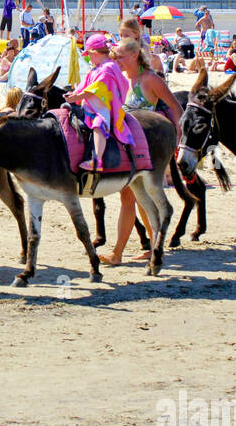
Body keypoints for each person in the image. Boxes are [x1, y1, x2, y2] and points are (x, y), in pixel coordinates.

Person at [98, 34, 182, 265]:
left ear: (135, 55)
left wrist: (177, 138)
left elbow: (175, 106)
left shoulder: (150, 80)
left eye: (121, 57)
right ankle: (131, 249)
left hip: (150, 144)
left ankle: (143, 247)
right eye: (115, 57)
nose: (117, 61)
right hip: (126, 144)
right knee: (130, 197)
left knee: (140, 195)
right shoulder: (121, 78)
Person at [64, 34, 133, 173]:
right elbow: (85, 85)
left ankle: (97, 160)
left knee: (99, 124)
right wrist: (74, 94)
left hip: (104, 108)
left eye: (89, 54)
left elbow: (97, 88)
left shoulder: (108, 68)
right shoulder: (97, 67)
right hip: (91, 106)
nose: (88, 58)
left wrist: (78, 96)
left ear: (95, 53)